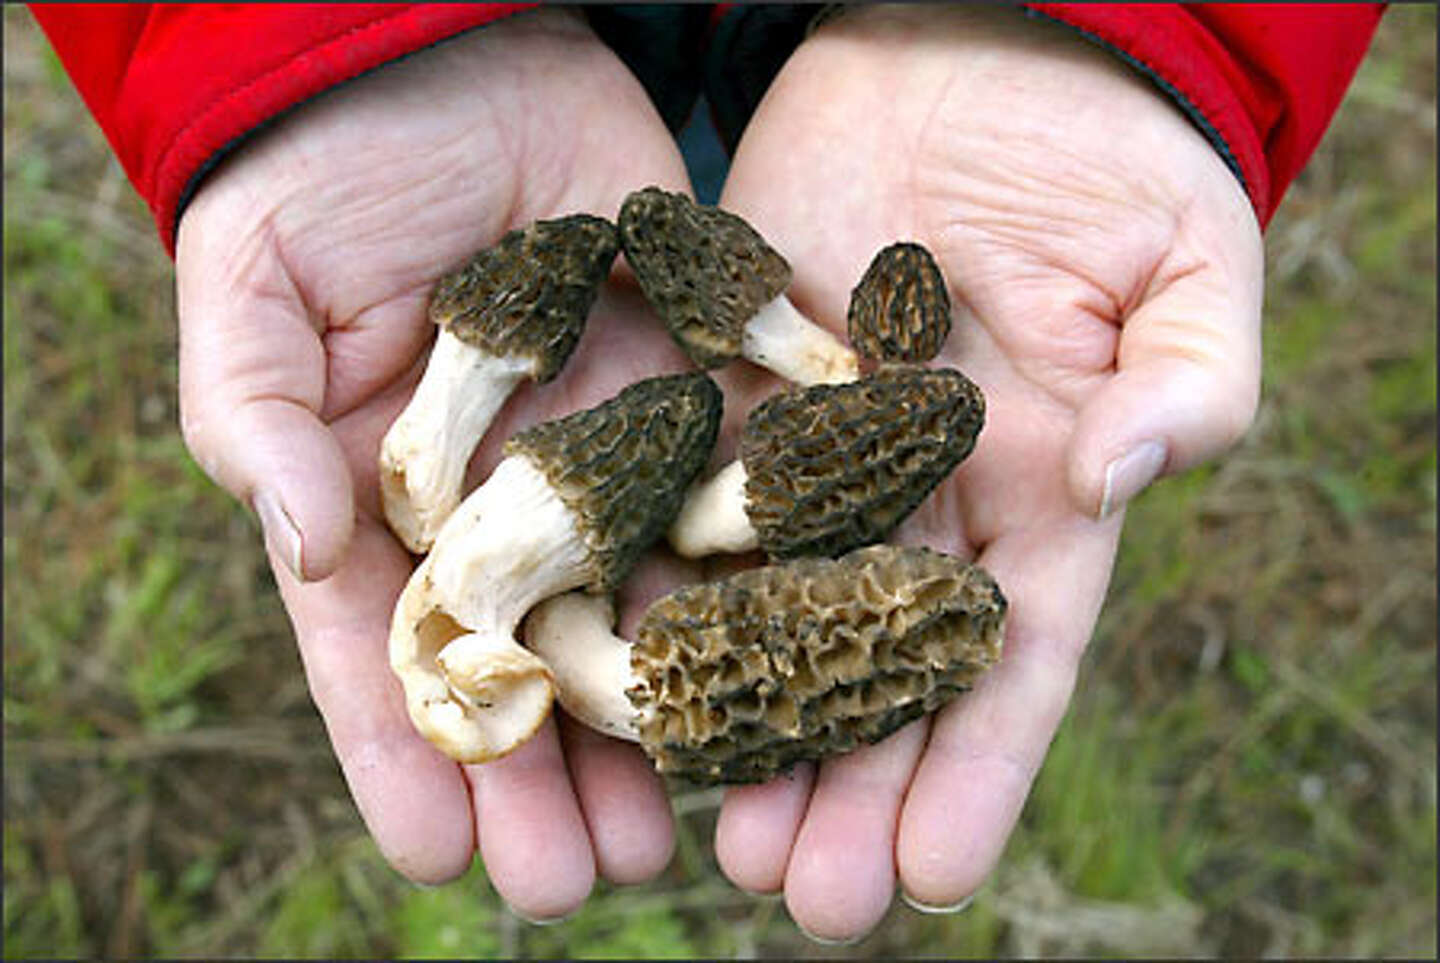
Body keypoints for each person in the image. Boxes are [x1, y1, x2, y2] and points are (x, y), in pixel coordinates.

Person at [32, 2, 1382, 944]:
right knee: (675, 378)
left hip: (843, 164)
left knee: (689, 387)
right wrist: (312, 38)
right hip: (538, 149)